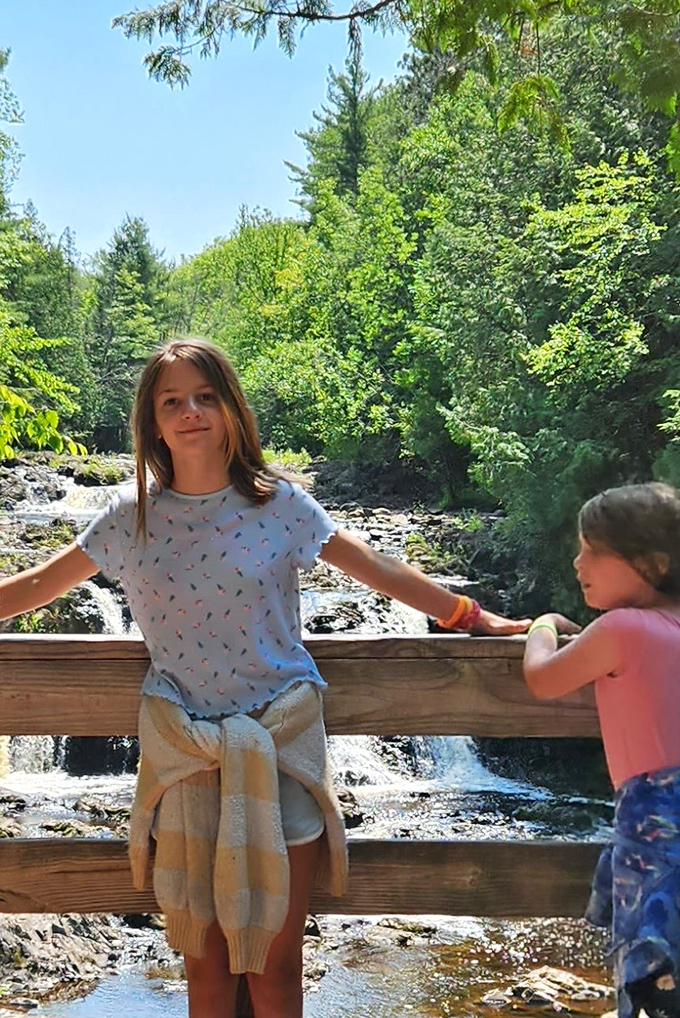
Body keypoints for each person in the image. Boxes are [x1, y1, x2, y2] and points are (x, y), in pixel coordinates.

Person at [0, 338, 530, 1018]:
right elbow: (40, 584)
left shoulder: (281, 506)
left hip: (282, 743)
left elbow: (374, 568)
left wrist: (470, 615)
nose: (190, 411)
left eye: (205, 396)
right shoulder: (127, 519)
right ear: (152, 423)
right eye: (172, 401)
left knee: (279, 968)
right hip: (186, 755)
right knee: (208, 968)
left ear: (230, 410)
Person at [523, 482, 680, 1018]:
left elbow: (543, 679)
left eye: (592, 549)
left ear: (651, 563)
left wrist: (542, 626)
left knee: (652, 977)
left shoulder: (622, 629)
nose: (577, 561)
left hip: (655, 831)